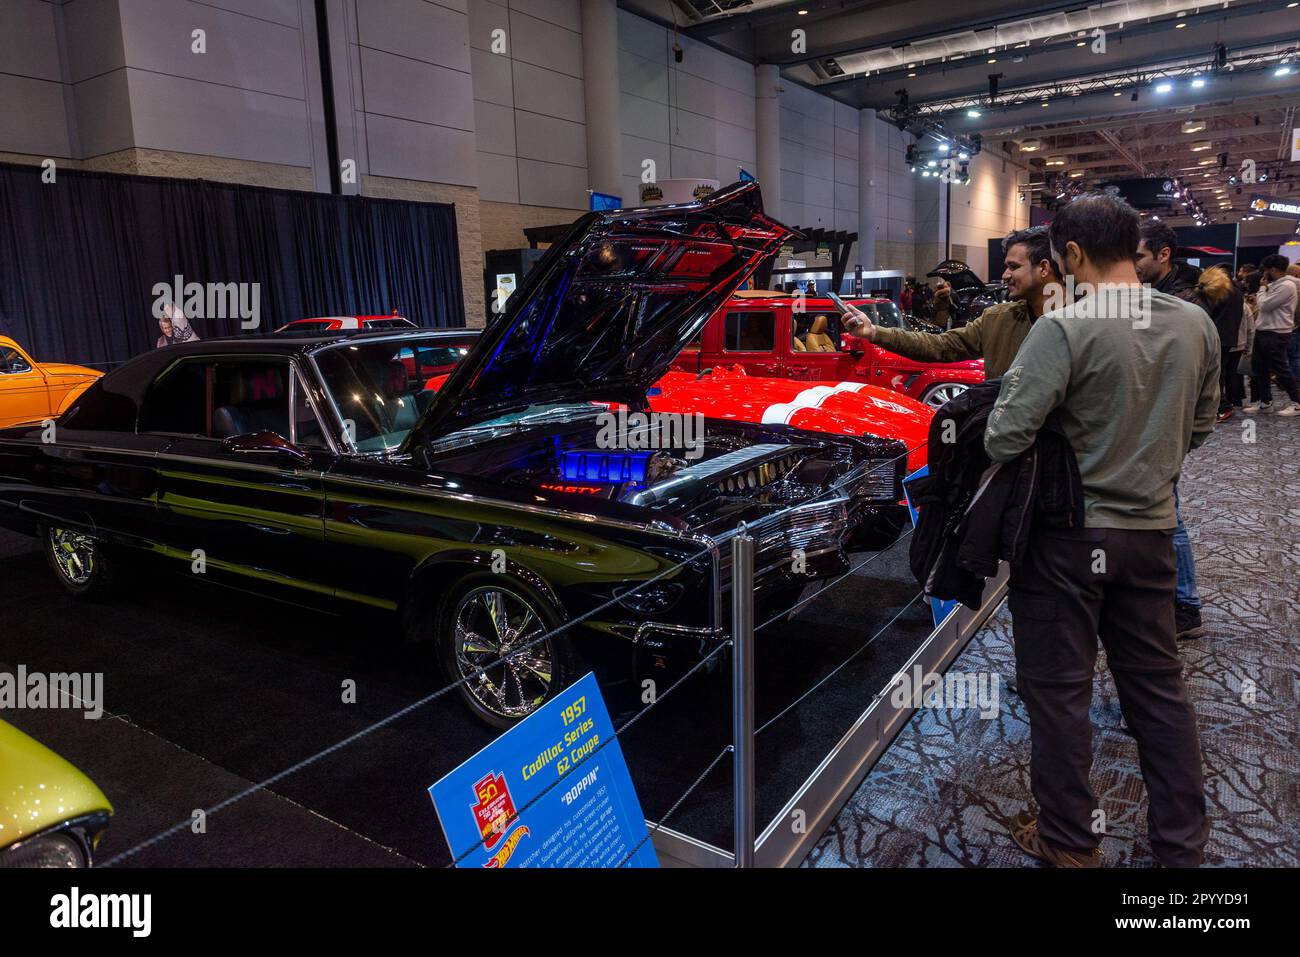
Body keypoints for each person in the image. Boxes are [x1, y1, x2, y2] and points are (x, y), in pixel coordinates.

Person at [984, 192, 1217, 868]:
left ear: (1073, 254)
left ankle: (1069, 844)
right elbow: (1202, 425)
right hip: (1151, 533)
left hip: (1067, 540)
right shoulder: (1195, 323)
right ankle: (1181, 849)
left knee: (1059, 696)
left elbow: (1005, 437)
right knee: (1159, 693)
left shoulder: (1062, 328)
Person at [1134, 222, 1235, 639]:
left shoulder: (1183, 303)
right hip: (1159, 424)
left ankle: (1186, 605)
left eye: (1139, 256)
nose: (1133, 265)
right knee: (1162, 514)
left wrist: (1177, 435)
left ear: (1163, 254)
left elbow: (1188, 378)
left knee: (1168, 516)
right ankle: (1176, 601)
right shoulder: (1163, 296)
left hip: (1160, 425)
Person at [842, 225, 1059, 379]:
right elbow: (940, 345)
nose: (1004, 275)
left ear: (1043, 268)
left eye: (1014, 267)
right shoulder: (998, 319)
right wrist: (874, 332)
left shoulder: (1082, 323)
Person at [1243, 254, 1300, 416]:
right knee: (1259, 368)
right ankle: (1265, 402)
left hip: (1276, 333)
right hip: (1265, 331)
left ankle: (1297, 402)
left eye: (1266, 270)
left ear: (1273, 270)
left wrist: (1261, 290)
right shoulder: (1276, 285)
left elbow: (1265, 305)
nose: (1263, 274)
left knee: (1280, 369)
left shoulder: (1286, 286)